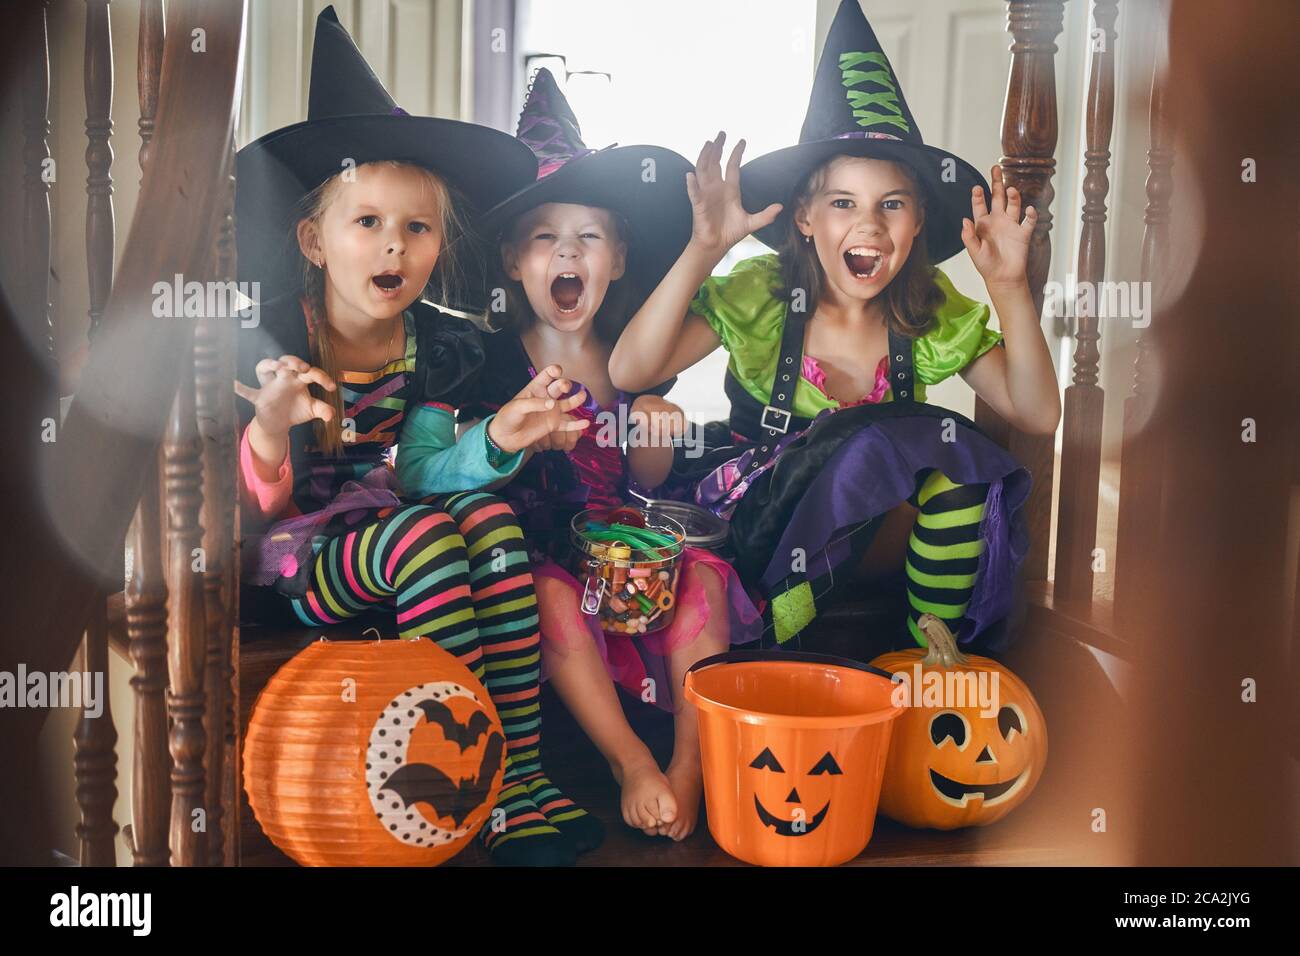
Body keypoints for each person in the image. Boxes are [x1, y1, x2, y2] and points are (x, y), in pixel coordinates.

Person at [233, 6, 596, 866]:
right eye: (368, 223)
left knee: (490, 521)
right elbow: (256, 510)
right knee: (432, 535)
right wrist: (270, 429)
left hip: (405, 531)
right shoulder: (272, 336)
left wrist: (502, 437)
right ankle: (454, 764)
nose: (394, 245)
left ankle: (518, 776)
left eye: (417, 227)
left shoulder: (443, 344)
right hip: (308, 558)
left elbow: (430, 474)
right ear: (315, 241)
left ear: (439, 244)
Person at [610, 0, 1059, 655]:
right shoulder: (764, 298)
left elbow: (1039, 414)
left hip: (881, 540)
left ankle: (932, 657)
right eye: (843, 202)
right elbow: (631, 370)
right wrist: (704, 250)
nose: (869, 225)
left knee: (962, 468)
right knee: (863, 455)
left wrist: (1009, 287)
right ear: (805, 219)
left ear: (918, 224)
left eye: (892, 205)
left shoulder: (927, 311)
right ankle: (779, 651)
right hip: (771, 526)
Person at [459, 69, 760, 841]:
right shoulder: (489, 364)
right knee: (550, 595)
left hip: (634, 554)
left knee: (706, 579)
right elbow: (469, 466)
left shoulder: (637, 359)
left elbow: (647, 485)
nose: (568, 253)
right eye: (545, 239)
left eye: (588, 237)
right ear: (512, 262)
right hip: (543, 557)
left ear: (617, 259)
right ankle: (631, 760)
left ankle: (688, 764)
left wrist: (655, 433)